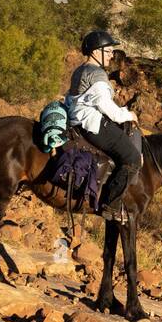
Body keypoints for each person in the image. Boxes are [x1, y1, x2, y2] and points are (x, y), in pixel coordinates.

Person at [65, 30, 142, 222]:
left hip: (76, 119)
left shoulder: (80, 70)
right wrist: (129, 114)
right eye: (107, 51)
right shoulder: (97, 75)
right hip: (92, 123)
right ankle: (110, 205)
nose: (111, 56)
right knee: (132, 157)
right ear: (95, 52)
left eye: (111, 52)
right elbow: (110, 110)